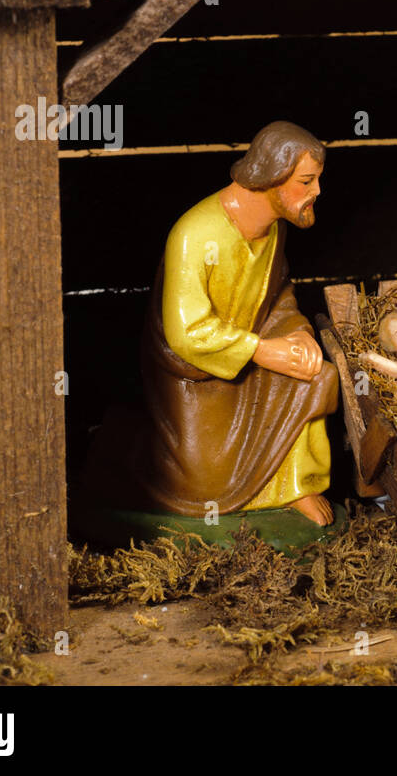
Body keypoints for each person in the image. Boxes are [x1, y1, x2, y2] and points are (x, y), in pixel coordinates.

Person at [85, 121, 340, 525]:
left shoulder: (273, 230)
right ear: (273, 177)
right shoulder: (194, 234)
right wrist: (263, 351)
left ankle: (295, 487)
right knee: (200, 486)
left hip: (252, 358)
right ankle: (121, 441)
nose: (317, 192)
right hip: (194, 375)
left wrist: (295, 333)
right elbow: (187, 334)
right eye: (307, 181)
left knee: (318, 377)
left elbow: (279, 295)